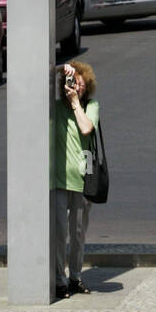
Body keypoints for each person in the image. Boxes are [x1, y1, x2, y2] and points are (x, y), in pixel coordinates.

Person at [51, 59, 100, 299]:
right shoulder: (56, 107)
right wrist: (62, 67)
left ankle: (75, 277)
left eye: (80, 84)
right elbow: (40, 75)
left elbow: (86, 129)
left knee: (78, 233)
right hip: (60, 181)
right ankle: (60, 279)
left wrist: (75, 103)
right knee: (60, 233)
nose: (76, 87)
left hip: (82, 181)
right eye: (73, 83)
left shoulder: (91, 106)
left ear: (87, 86)